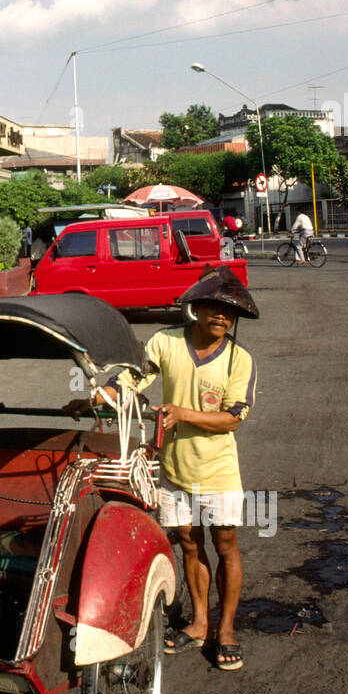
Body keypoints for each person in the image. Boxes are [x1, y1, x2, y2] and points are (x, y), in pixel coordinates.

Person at [65, 264, 259, 671]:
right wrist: (93, 400)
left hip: (219, 469)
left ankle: (226, 629)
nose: (222, 317)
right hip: (173, 468)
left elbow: (232, 419)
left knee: (226, 546)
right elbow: (133, 380)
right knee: (189, 544)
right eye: (213, 308)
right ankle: (199, 623)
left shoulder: (240, 361)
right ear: (197, 309)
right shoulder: (166, 343)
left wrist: (182, 414)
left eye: (230, 312)